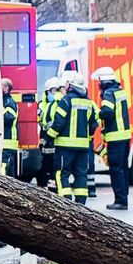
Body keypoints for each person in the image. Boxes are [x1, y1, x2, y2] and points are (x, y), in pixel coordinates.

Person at [46, 74, 98, 205]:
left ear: (71, 85)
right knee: (81, 174)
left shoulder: (66, 101)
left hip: (65, 146)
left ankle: (66, 203)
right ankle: (81, 204)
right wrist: (88, 138)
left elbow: (58, 123)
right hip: (83, 147)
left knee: (61, 173)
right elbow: (93, 124)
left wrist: (49, 137)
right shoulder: (88, 102)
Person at [94, 66, 133, 211]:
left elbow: (107, 112)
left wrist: (97, 114)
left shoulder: (109, 93)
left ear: (103, 81)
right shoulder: (119, 91)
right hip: (124, 137)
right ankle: (124, 198)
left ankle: (120, 201)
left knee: (116, 170)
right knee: (123, 169)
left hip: (115, 138)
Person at [0, 78, 21, 179]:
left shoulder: (9, 102)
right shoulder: (3, 101)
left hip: (8, 142)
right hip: (5, 141)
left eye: (0, 85)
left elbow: (9, 118)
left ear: (6, 88)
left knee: (4, 168)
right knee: (9, 171)